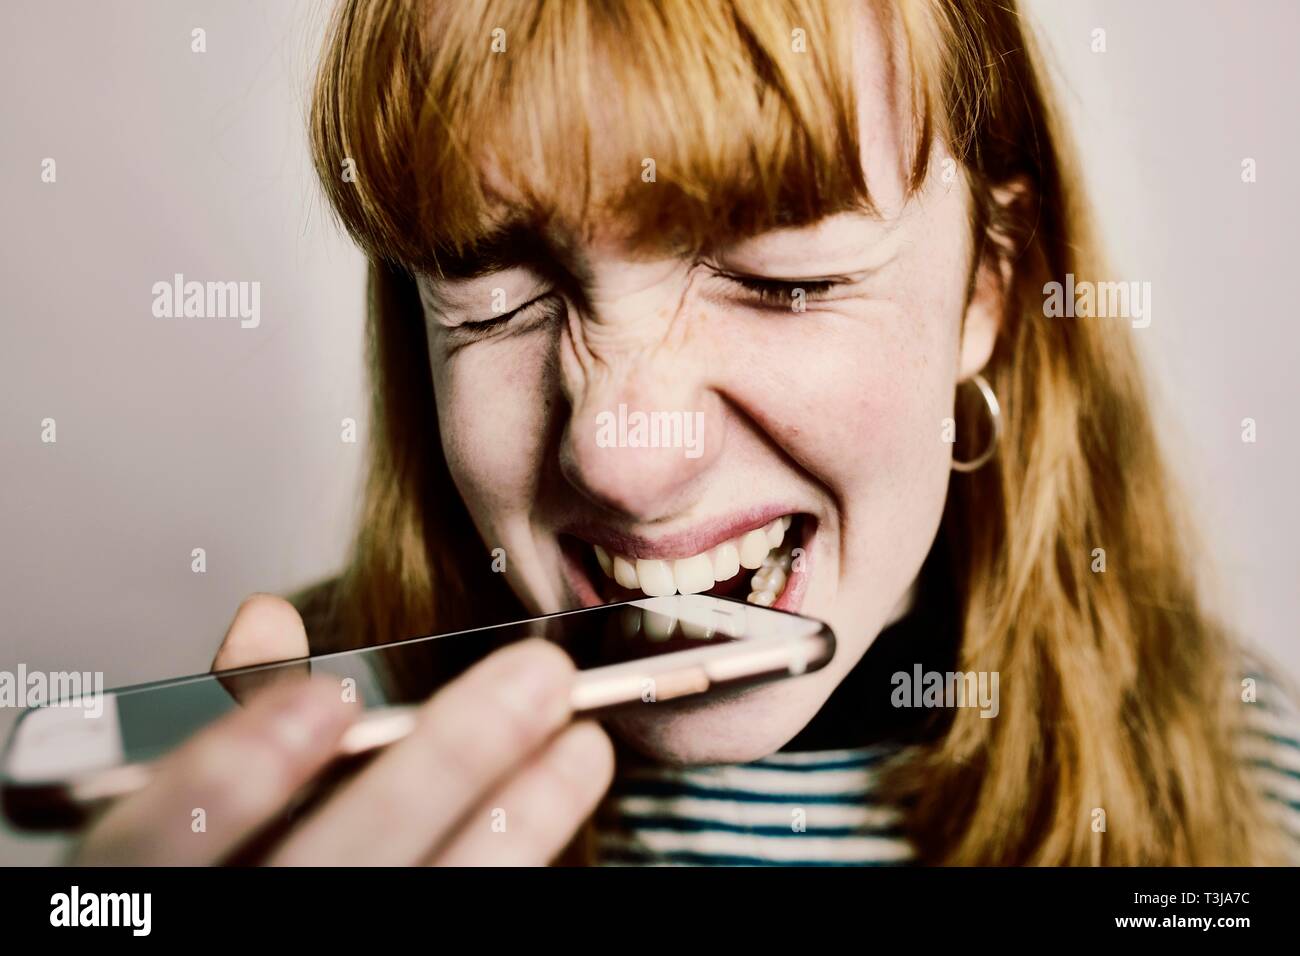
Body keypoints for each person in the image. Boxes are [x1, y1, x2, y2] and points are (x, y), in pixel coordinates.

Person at [74, 0, 1299, 866]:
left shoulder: (1252, 783)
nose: (617, 451)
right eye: (495, 296)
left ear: (988, 286)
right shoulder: (290, 792)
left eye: (783, 279)